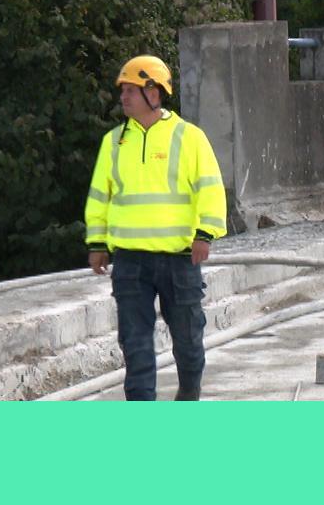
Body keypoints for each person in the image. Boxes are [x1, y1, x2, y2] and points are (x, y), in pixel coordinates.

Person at [85, 54, 228, 400]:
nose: (123, 97)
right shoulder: (114, 142)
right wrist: (97, 243)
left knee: (189, 344)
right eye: (123, 91)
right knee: (135, 347)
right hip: (130, 262)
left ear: (154, 92)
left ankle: (188, 398)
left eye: (130, 90)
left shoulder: (189, 138)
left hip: (180, 259)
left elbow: (210, 189)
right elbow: (99, 196)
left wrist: (205, 235)